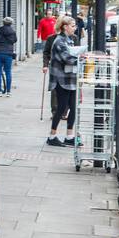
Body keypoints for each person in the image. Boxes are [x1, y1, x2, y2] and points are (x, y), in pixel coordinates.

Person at [47, 14, 83, 147]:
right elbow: (68, 58)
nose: (75, 28)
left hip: (70, 78)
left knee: (73, 107)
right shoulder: (59, 41)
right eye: (73, 26)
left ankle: (69, 136)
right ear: (65, 27)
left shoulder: (70, 40)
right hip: (61, 80)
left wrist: (80, 55)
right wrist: (82, 58)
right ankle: (52, 136)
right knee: (61, 108)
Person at [0, 16, 18, 96]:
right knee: (8, 72)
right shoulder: (13, 32)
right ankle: (8, 92)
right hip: (8, 54)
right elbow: (15, 40)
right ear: (11, 23)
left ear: (3, 23)